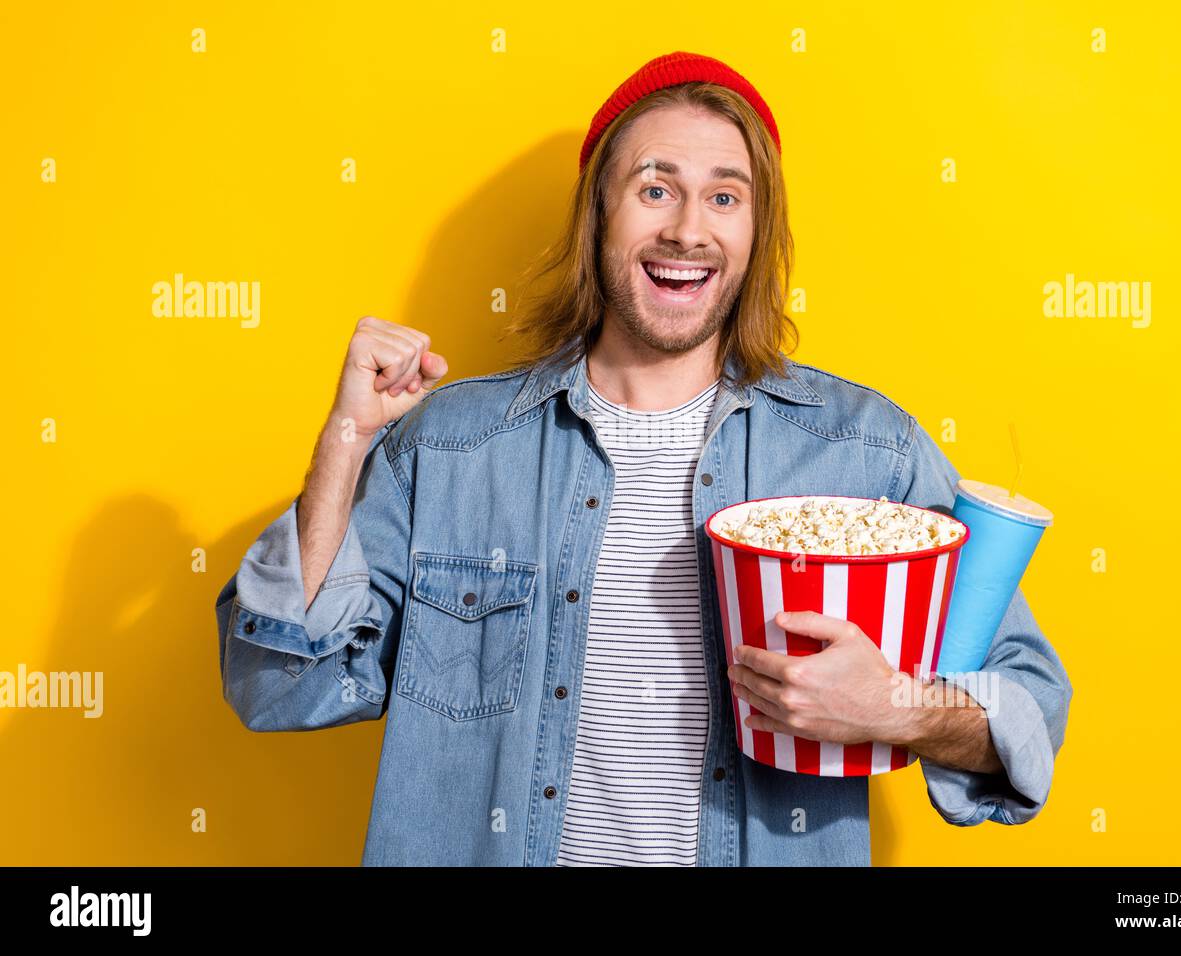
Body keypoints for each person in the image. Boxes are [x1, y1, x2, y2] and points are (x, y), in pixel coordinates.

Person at [215, 51, 1072, 866]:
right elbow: (280, 684)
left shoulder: (867, 457)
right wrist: (344, 443)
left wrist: (895, 709)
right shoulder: (447, 447)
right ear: (597, 215)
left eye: (725, 198)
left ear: (757, 231)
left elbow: (1029, 711)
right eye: (654, 188)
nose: (687, 229)